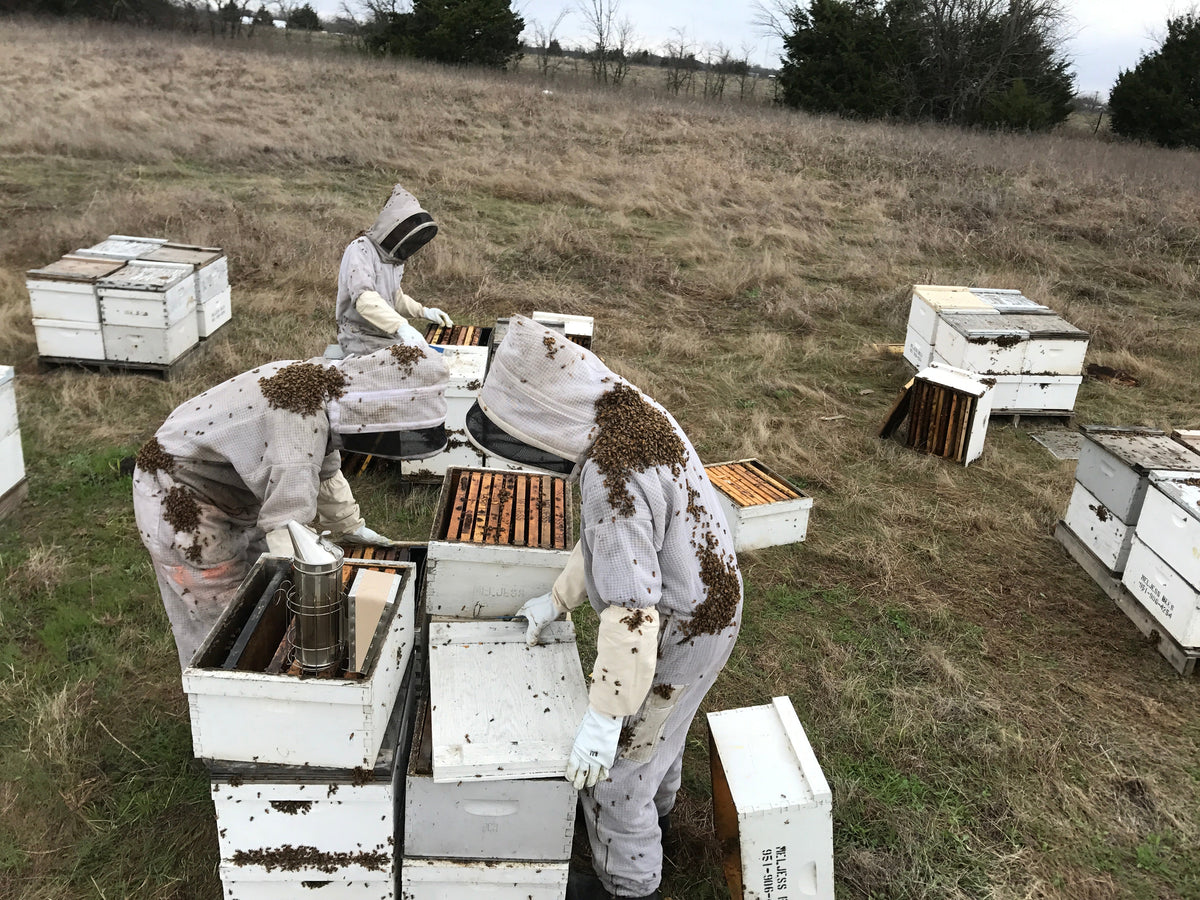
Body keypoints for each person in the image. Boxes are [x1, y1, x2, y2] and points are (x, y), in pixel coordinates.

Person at [465, 316, 743, 900]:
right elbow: (617, 545)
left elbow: (631, 610)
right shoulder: (629, 409)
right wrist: (559, 597)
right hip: (714, 601)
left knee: (617, 772)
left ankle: (629, 881)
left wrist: (603, 718)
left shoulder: (608, 470)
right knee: (662, 734)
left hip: (673, 627)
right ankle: (658, 821)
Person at [133, 340, 450, 669]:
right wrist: (308, 597)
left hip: (225, 484)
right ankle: (223, 694)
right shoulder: (295, 431)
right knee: (220, 606)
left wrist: (351, 526)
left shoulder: (320, 386)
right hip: (178, 496)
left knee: (253, 586)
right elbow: (288, 529)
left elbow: (324, 472)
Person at [336, 184, 454, 357]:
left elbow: (394, 297)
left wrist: (424, 311)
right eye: (405, 227)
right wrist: (401, 326)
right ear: (392, 223)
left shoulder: (392, 258)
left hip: (386, 334)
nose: (407, 233)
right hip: (360, 337)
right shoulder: (360, 249)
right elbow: (364, 299)